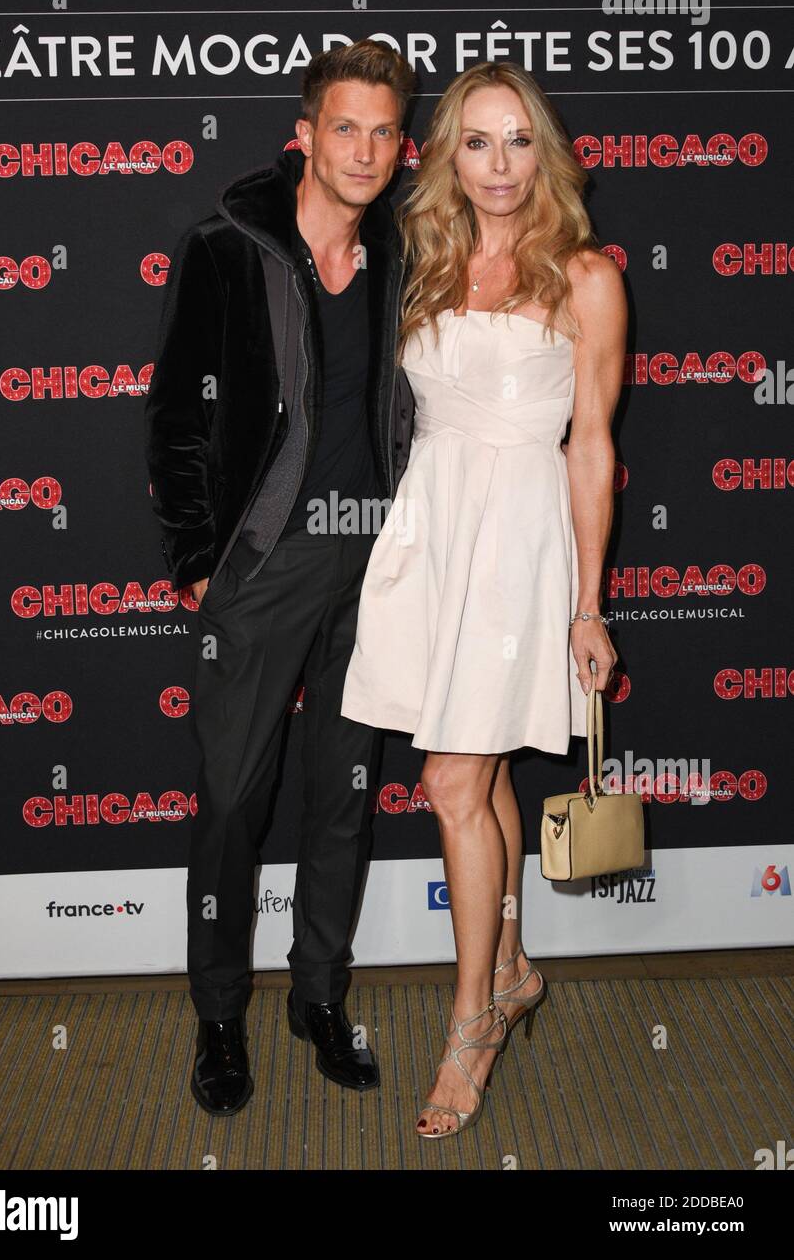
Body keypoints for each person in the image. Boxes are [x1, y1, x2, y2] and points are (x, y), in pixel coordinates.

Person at [340, 61, 626, 1137]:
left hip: (520, 541)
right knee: (486, 763)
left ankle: (472, 1027)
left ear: (540, 151)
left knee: (453, 777)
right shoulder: (423, 259)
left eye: (516, 142)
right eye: (476, 142)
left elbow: (592, 448)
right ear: (445, 155)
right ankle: (509, 962)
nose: (498, 166)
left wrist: (588, 605)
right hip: (434, 527)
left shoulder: (586, 275)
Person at [144, 40, 417, 1115]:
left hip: (378, 561)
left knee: (342, 794)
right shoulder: (227, 247)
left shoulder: (406, 249)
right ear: (304, 134)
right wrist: (197, 560)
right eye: (344, 127)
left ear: (403, 147)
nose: (363, 149)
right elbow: (173, 418)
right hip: (263, 565)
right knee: (232, 799)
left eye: (383, 131)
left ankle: (318, 994)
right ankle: (219, 1015)